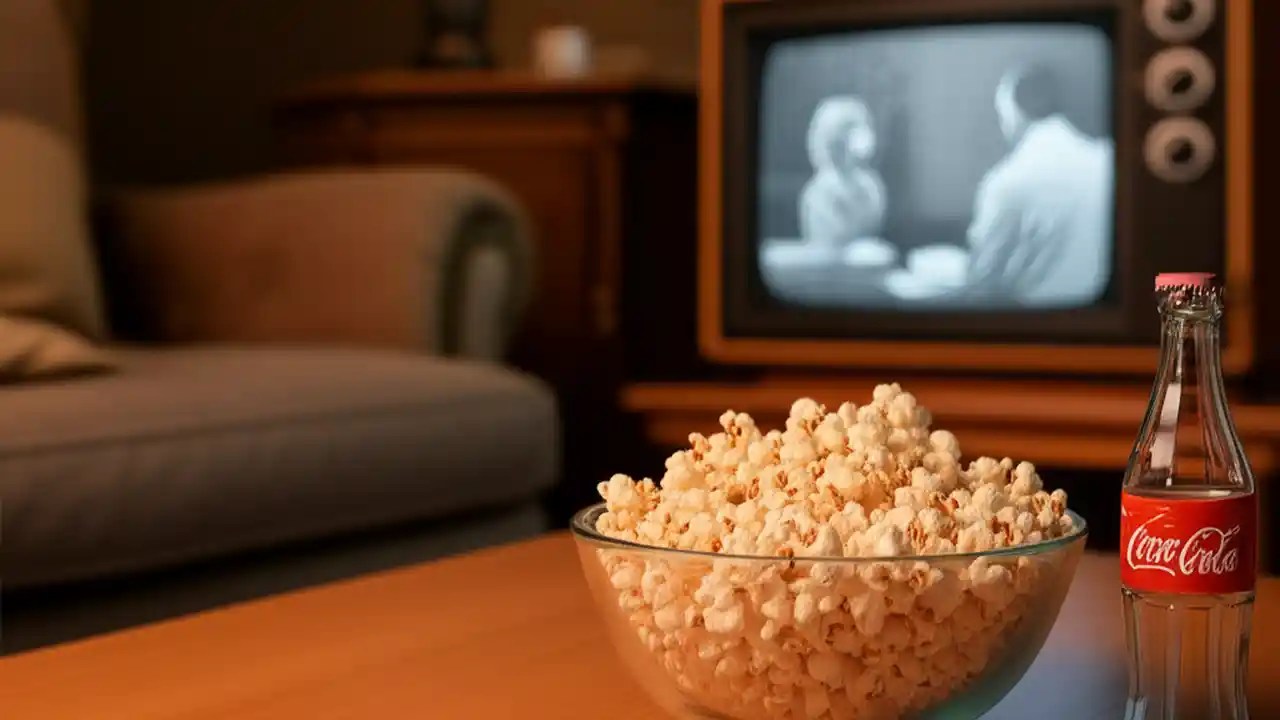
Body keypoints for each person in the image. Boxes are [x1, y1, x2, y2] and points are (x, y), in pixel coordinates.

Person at [962, 64, 1113, 306]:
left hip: (1032, 331)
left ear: (1012, 112)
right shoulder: (1107, 159)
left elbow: (982, 280)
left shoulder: (1007, 180)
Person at [797, 96, 887, 259]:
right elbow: (827, 244)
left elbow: (872, 231)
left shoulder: (870, 187)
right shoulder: (820, 192)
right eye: (841, 135)